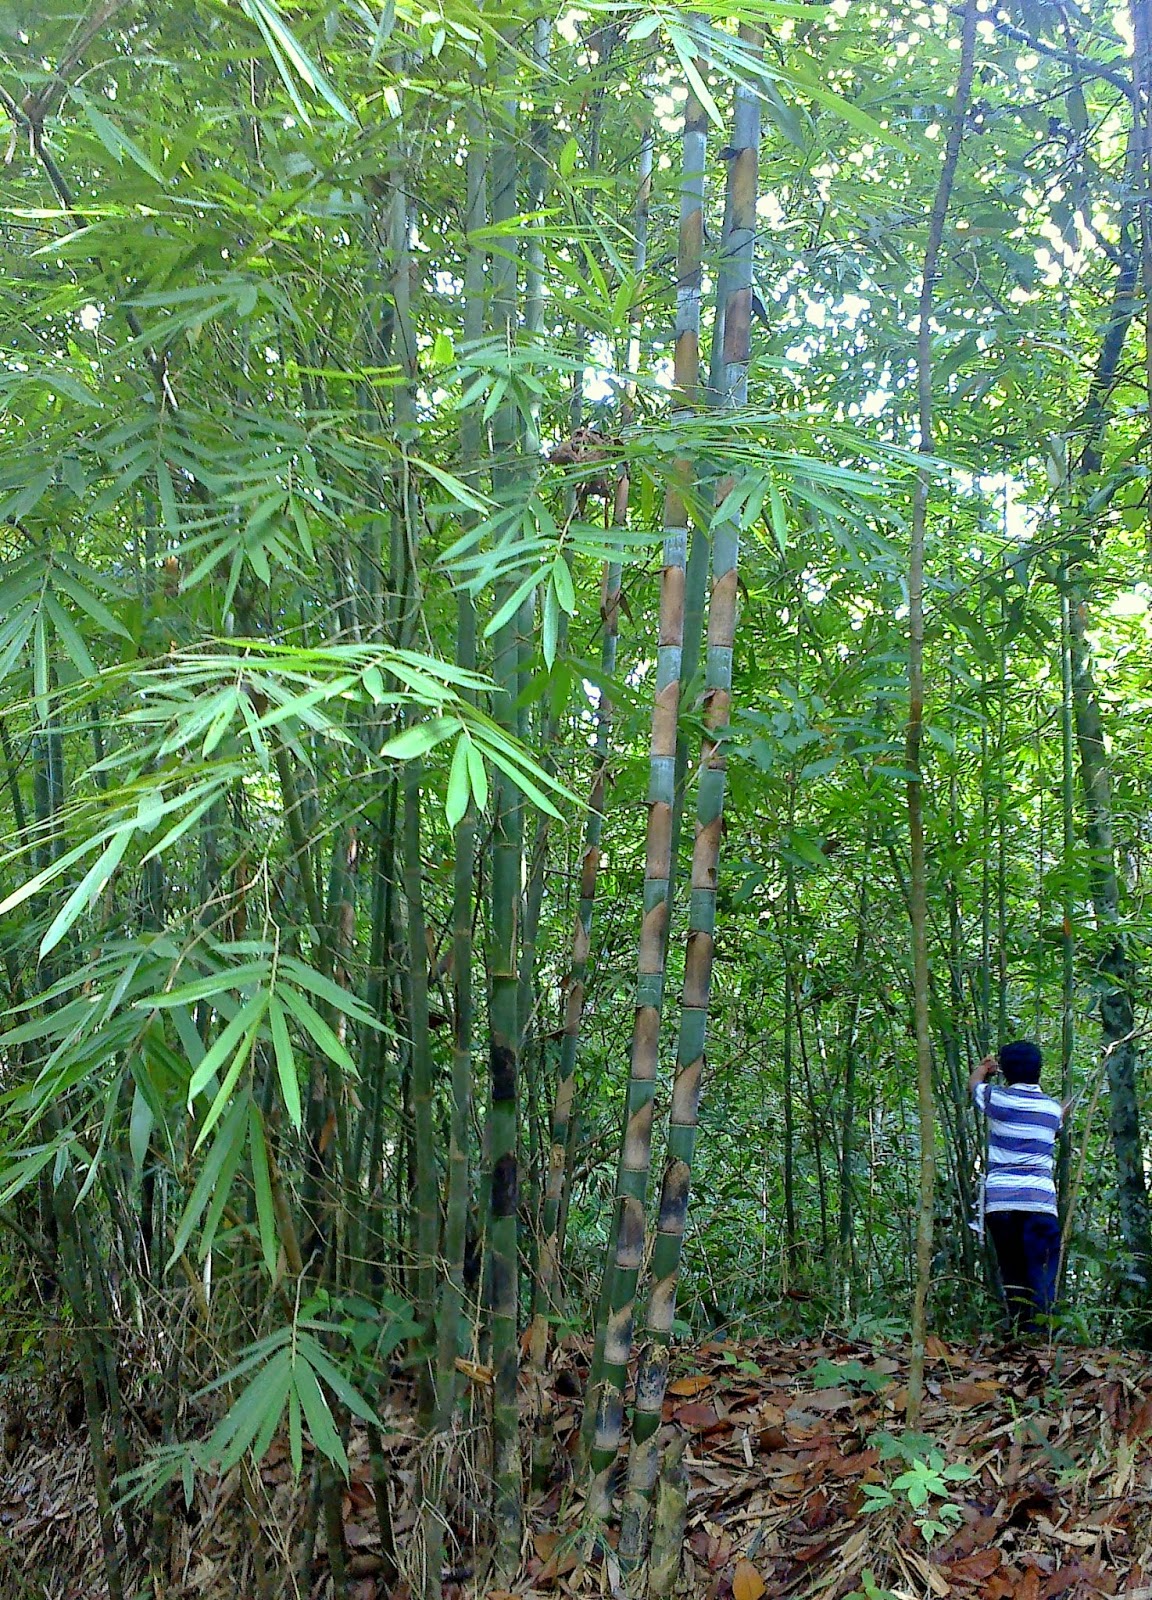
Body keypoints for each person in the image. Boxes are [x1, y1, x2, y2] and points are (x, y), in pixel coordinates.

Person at [969, 1040, 1064, 1336]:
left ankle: (1020, 1335)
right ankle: (1041, 1338)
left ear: (1005, 1071)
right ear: (1039, 1070)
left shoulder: (996, 1099)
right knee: (1042, 1273)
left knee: (1013, 1272)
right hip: (1039, 1203)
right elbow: (1055, 1130)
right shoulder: (1052, 1109)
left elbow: (974, 1086)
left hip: (1001, 1203)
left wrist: (984, 1068)